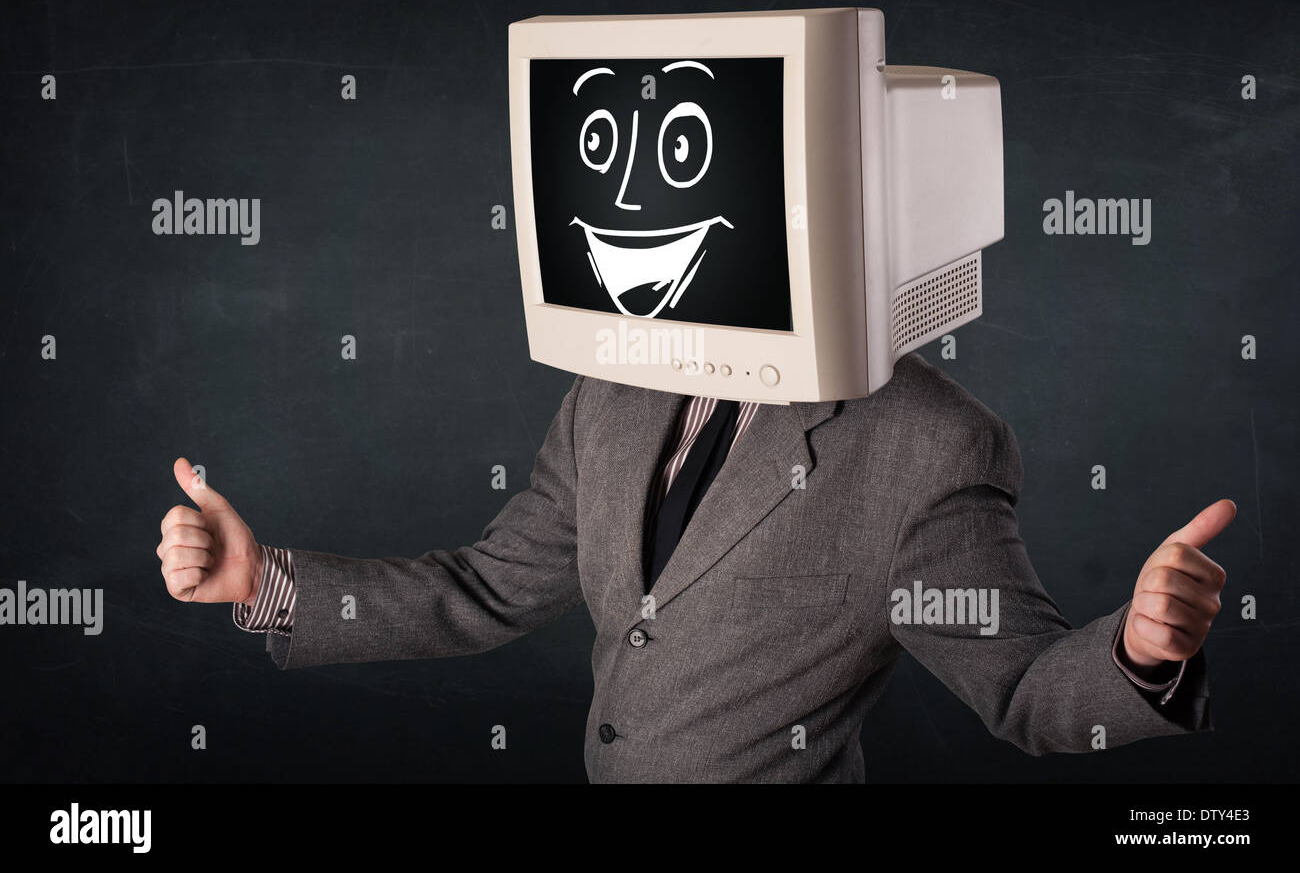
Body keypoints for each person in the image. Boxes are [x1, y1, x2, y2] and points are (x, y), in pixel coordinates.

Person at [155, 354, 1231, 782]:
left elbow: (1026, 691)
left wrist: (1139, 652)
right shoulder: (609, 395)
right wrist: (264, 582)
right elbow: (487, 590)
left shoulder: (926, 440)